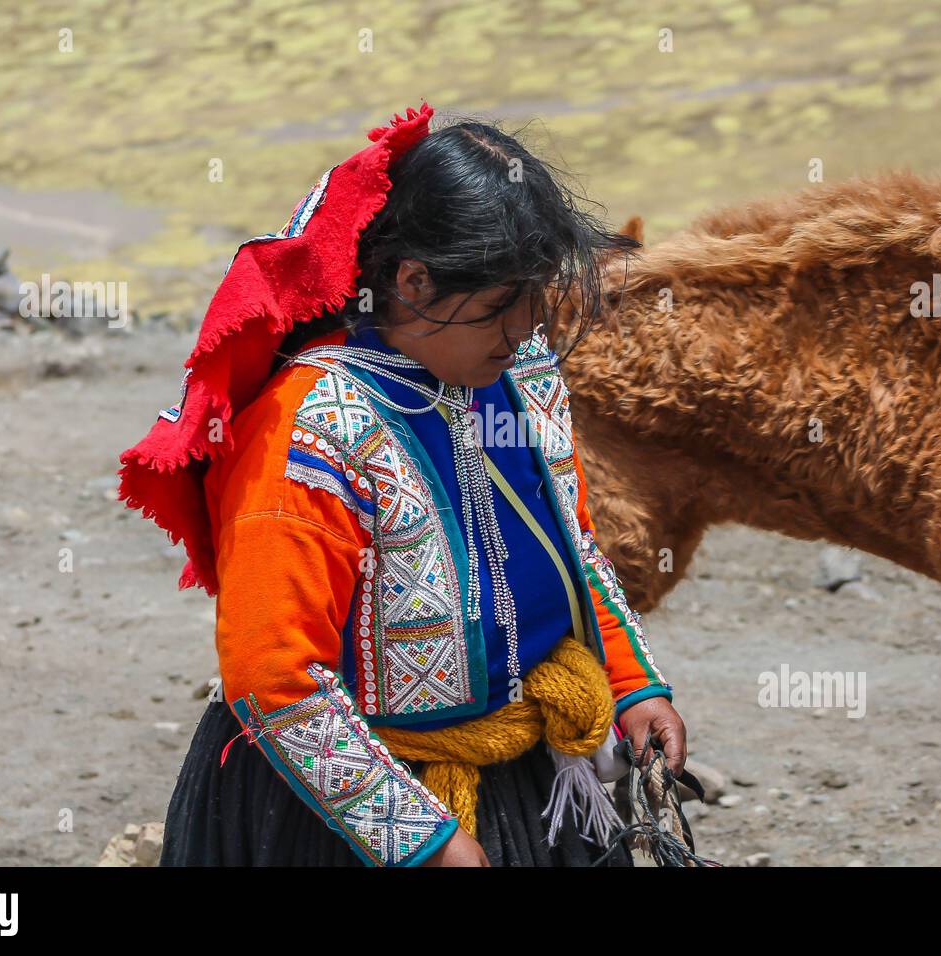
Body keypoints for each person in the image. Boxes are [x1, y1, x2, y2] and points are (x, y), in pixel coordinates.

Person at [118, 103, 688, 867]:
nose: (521, 334)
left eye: (531, 309)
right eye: (495, 311)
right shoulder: (310, 430)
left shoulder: (523, 379)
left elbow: (572, 548)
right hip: (329, 813)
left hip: (523, 771)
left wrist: (631, 685)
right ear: (413, 280)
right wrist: (419, 836)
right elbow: (274, 676)